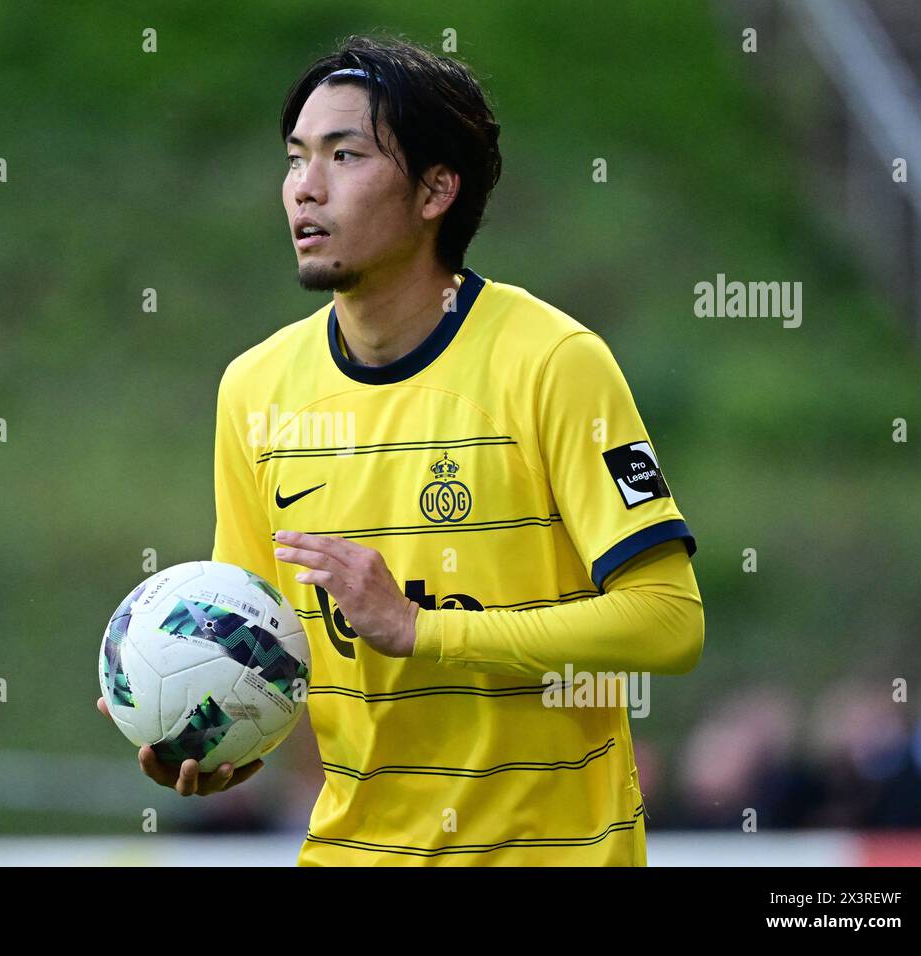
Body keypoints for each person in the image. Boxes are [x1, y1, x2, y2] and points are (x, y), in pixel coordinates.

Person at [101, 33, 704, 866]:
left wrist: (423, 630)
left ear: (435, 190)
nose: (305, 189)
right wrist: (219, 731)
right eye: (295, 159)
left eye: (343, 156)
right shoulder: (256, 389)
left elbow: (668, 625)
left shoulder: (553, 364)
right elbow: (265, 641)